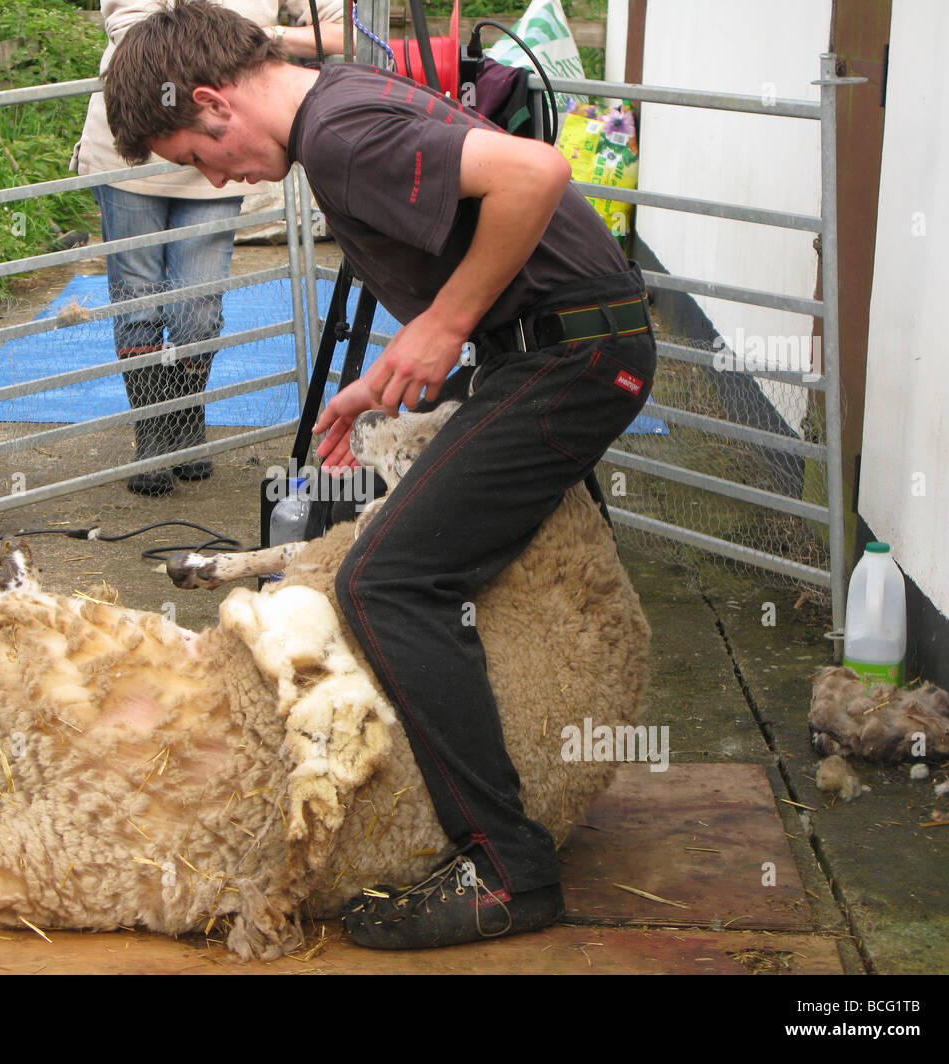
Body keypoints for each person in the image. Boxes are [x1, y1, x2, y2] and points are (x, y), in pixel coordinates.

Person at [105, 0, 657, 949]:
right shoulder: (341, 101)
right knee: (420, 561)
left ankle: (507, 867)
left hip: (570, 360)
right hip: (553, 349)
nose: (215, 178)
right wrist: (384, 375)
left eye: (196, 155)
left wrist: (441, 329)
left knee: (386, 581)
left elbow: (537, 171)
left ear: (211, 101)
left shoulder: (341, 135)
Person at [74, 0, 344, 497]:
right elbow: (135, 34)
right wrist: (243, 57)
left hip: (219, 154)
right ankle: (153, 434)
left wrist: (268, 36)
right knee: (138, 300)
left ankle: (186, 417)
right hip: (137, 151)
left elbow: (346, 29)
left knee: (197, 305)